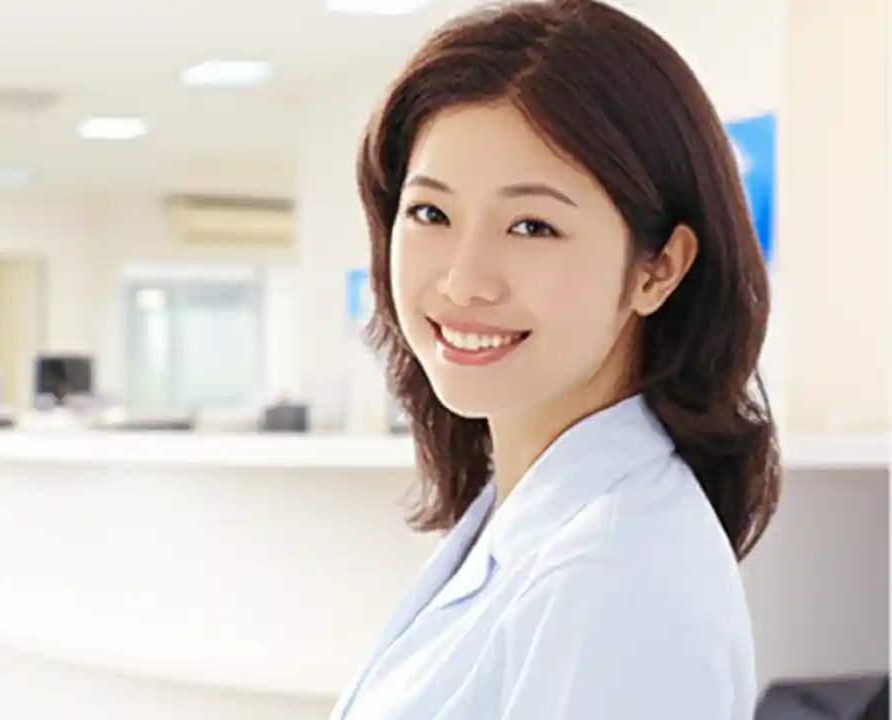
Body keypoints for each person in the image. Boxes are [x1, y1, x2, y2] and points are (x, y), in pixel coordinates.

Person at [332, 1, 780, 718]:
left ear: (658, 268)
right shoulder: (536, 514)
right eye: (430, 214)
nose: (463, 280)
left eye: (532, 226)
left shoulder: (614, 575)